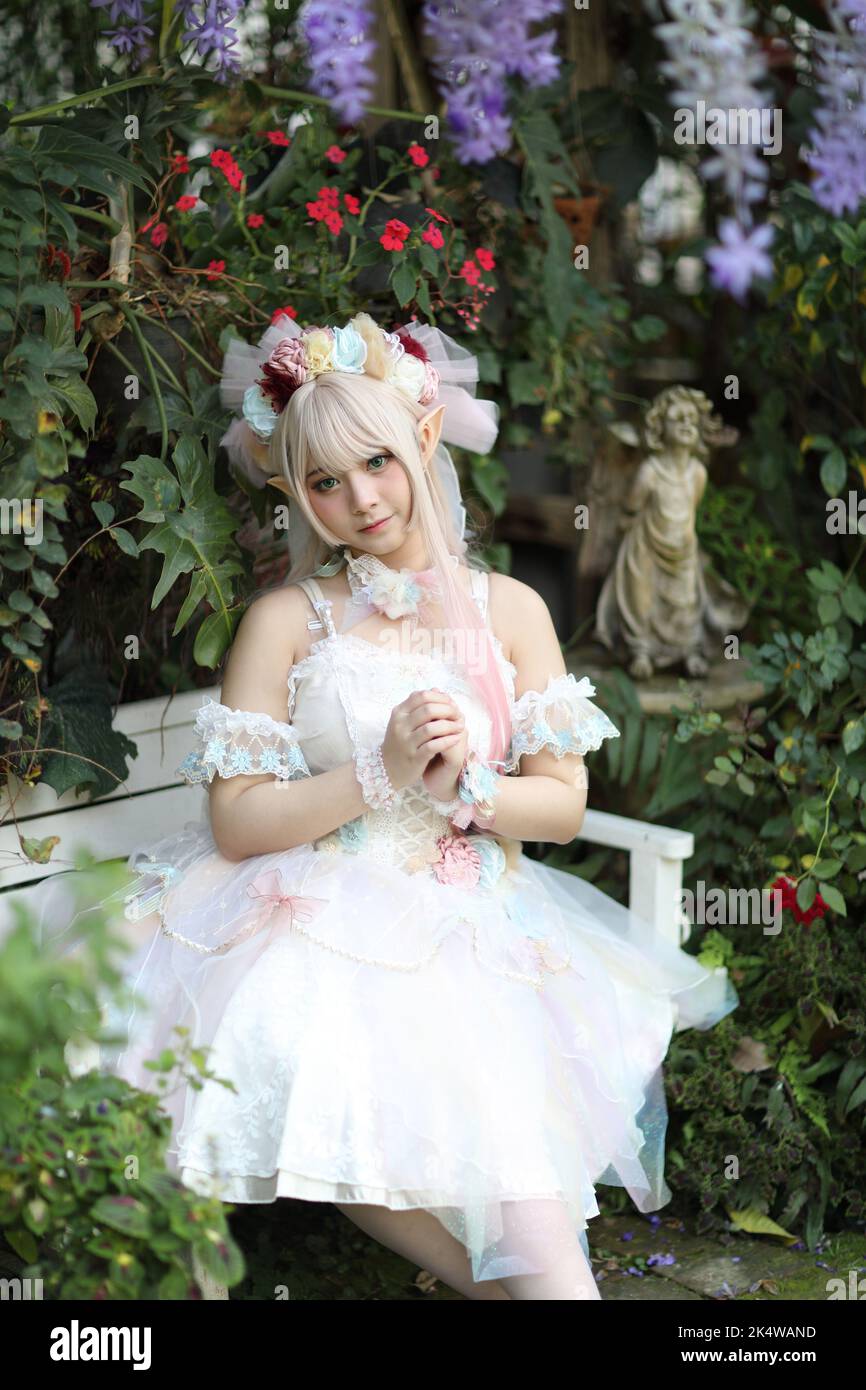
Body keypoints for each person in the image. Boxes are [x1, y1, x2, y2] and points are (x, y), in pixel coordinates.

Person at [21, 311, 738, 1301]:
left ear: (424, 440)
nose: (359, 498)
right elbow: (236, 824)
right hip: (310, 911)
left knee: (541, 1239)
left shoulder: (510, 611)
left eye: (377, 462)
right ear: (293, 491)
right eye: (323, 481)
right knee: (333, 1071)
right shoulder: (283, 620)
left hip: (473, 923)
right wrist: (381, 772)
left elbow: (562, 807)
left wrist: (467, 789)